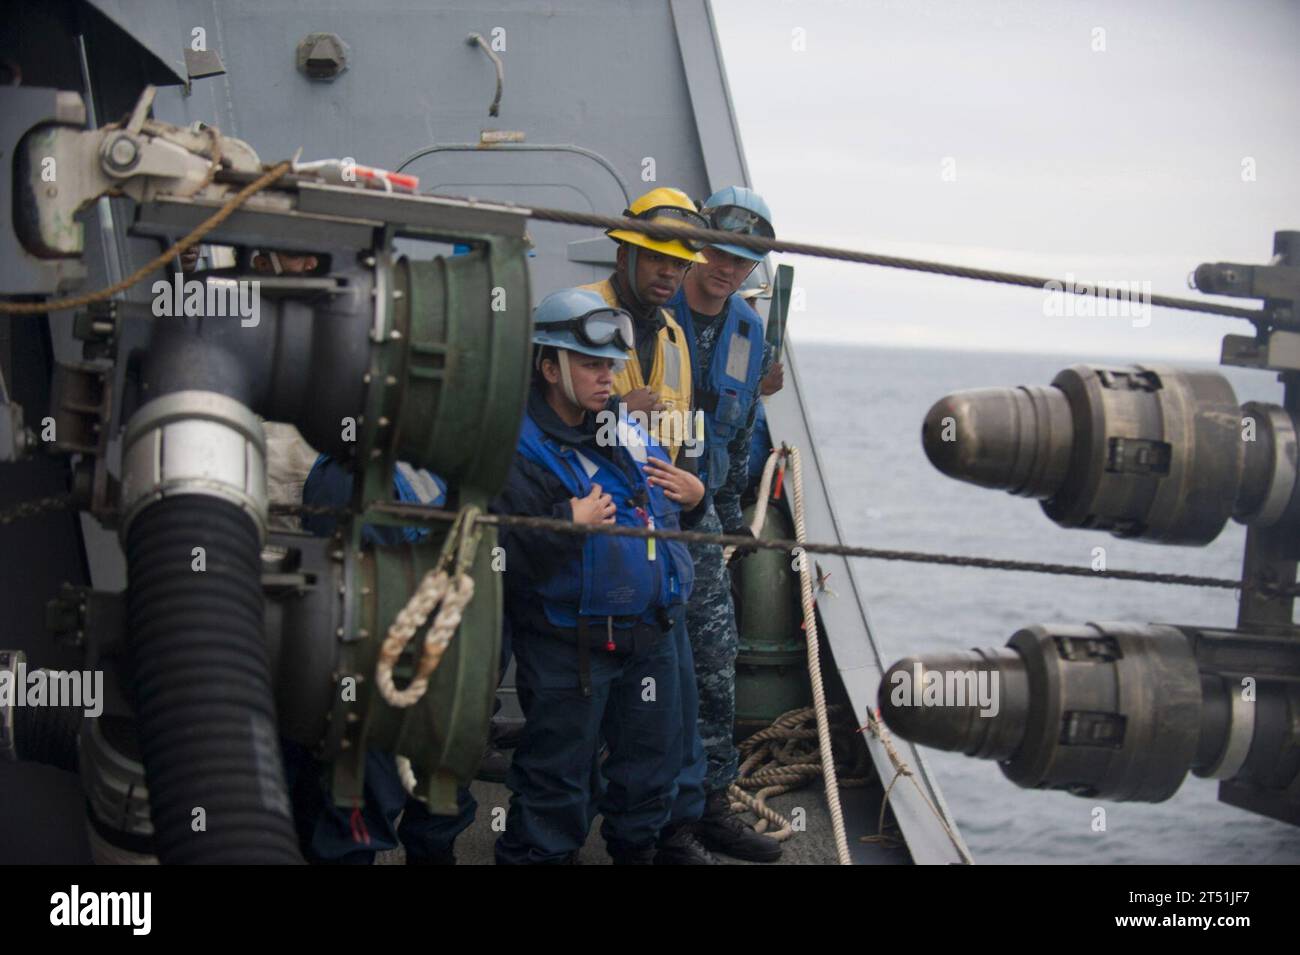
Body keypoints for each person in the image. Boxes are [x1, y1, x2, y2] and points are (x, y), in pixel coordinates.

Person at [493, 287, 707, 865]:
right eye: (590, 364)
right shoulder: (517, 447)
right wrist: (568, 521)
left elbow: (662, 508)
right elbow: (497, 554)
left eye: (611, 365)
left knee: (648, 770)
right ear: (547, 366)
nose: (606, 377)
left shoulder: (623, 429)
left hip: (650, 638)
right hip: (570, 646)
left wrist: (695, 500)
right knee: (556, 784)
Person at [664, 186, 784, 862]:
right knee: (649, 673)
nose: (726, 269)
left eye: (742, 261)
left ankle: (710, 806)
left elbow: (741, 436)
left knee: (714, 666)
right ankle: (660, 822)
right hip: (643, 511)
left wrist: (734, 513)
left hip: (704, 515)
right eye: (718, 252)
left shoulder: (747, 328)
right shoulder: (655, 308)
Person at [580, 187, 707, 462]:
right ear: (623, 257)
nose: (668, 272)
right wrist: (621, 416)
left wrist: (694, 493)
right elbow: (541, 424)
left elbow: (689, 428)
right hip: (593, 499)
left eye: (679, 263)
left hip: (657, 503)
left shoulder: (675, 337)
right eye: (655, 257)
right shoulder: (580, 311)